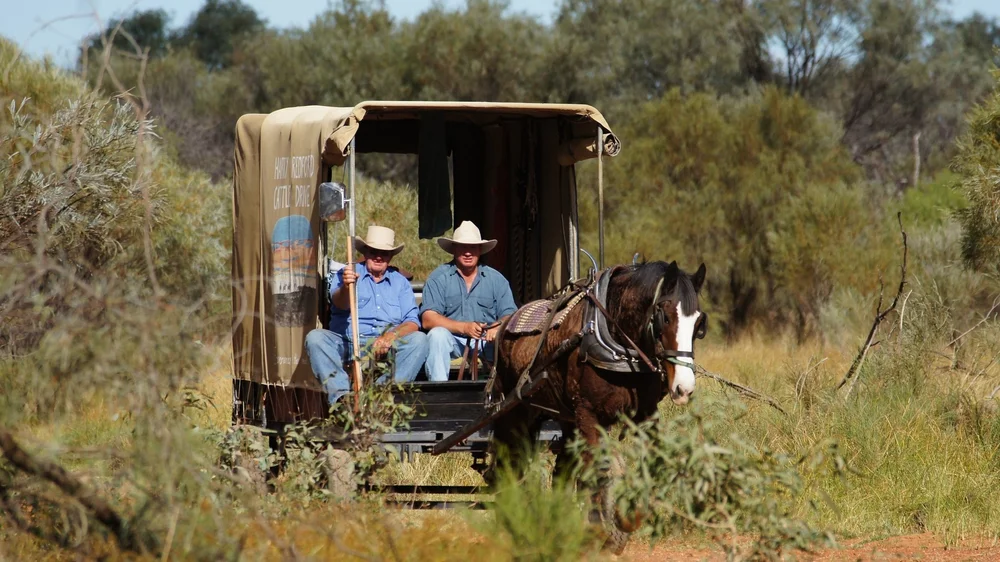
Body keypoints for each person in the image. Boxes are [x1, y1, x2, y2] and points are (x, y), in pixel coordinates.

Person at [305, 225, 428, 406]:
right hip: (347, 341)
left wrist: (390, 336)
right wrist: (346, 287)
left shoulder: (400, 283)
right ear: (365, 252)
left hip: (387, 345)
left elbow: (412, 322)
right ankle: (343, 399)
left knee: (420, 340)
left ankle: (380, 395)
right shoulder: (347, 273)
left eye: (384, 253)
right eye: (373, 252)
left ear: (391, 256)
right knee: (315, 338)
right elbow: (339, 302)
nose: (379, 257)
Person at [421, 221, 517, 382]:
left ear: (480, 250)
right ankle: (440, 390)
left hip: (487, 342)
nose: (468, 253)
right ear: (454, 249)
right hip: (452, 341)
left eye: (473, 247)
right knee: (436, 335)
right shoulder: (438, 278)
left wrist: (498, 327)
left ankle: (506, 391)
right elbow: (428, 319)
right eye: (463, 247)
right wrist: (464, 328)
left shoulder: (497, 280)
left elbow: (511, 315)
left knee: (511, 341)